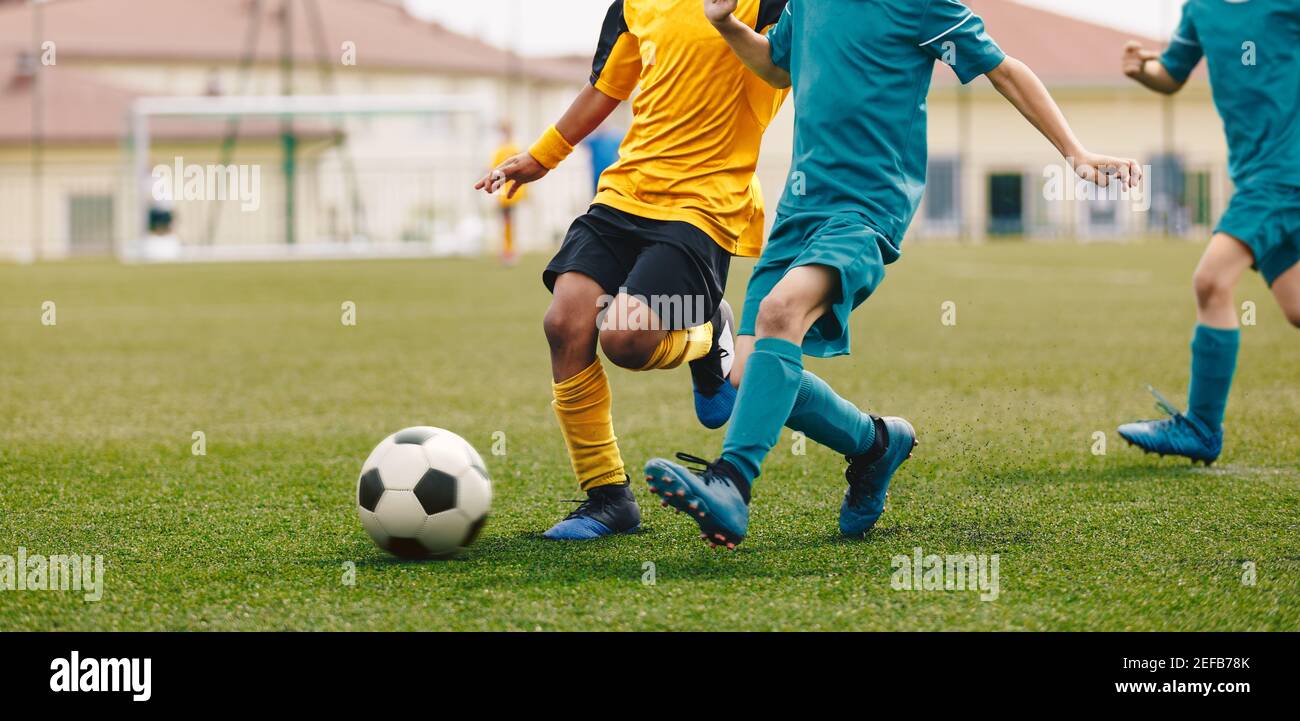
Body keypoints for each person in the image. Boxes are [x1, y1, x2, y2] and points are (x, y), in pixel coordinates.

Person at [644, 0, 1140, 548]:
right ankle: (875, 445)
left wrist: (1075, 152)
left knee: (780, 311)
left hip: (867, 208)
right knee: (744, 371)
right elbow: (776, 65)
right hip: (800, 207)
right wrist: (727, 26)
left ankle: (731, 483)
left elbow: (1003, 69)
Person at [474, 0, 789, 540]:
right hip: (626, 192)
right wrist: (541, 157)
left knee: (625, 339)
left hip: (704, 202)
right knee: (564, 322)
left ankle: (708, 329)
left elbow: (783, 69)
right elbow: (605, 88)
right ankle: (608, 498)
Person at [1117, 0, 1300, 465]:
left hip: (1283, 173)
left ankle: (1201, 427)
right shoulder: (1201, 8)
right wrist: (1143, 70)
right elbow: (1173, 73)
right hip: (1255, 173)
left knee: (1211, 281)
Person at [489, 121, 526, 265]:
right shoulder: (512, 149)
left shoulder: (505, 150)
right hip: (508, 193)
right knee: (508, 222)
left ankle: (508, 251)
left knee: (508, 222)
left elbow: (495, 171)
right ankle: (508, 250)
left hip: (507, 193)